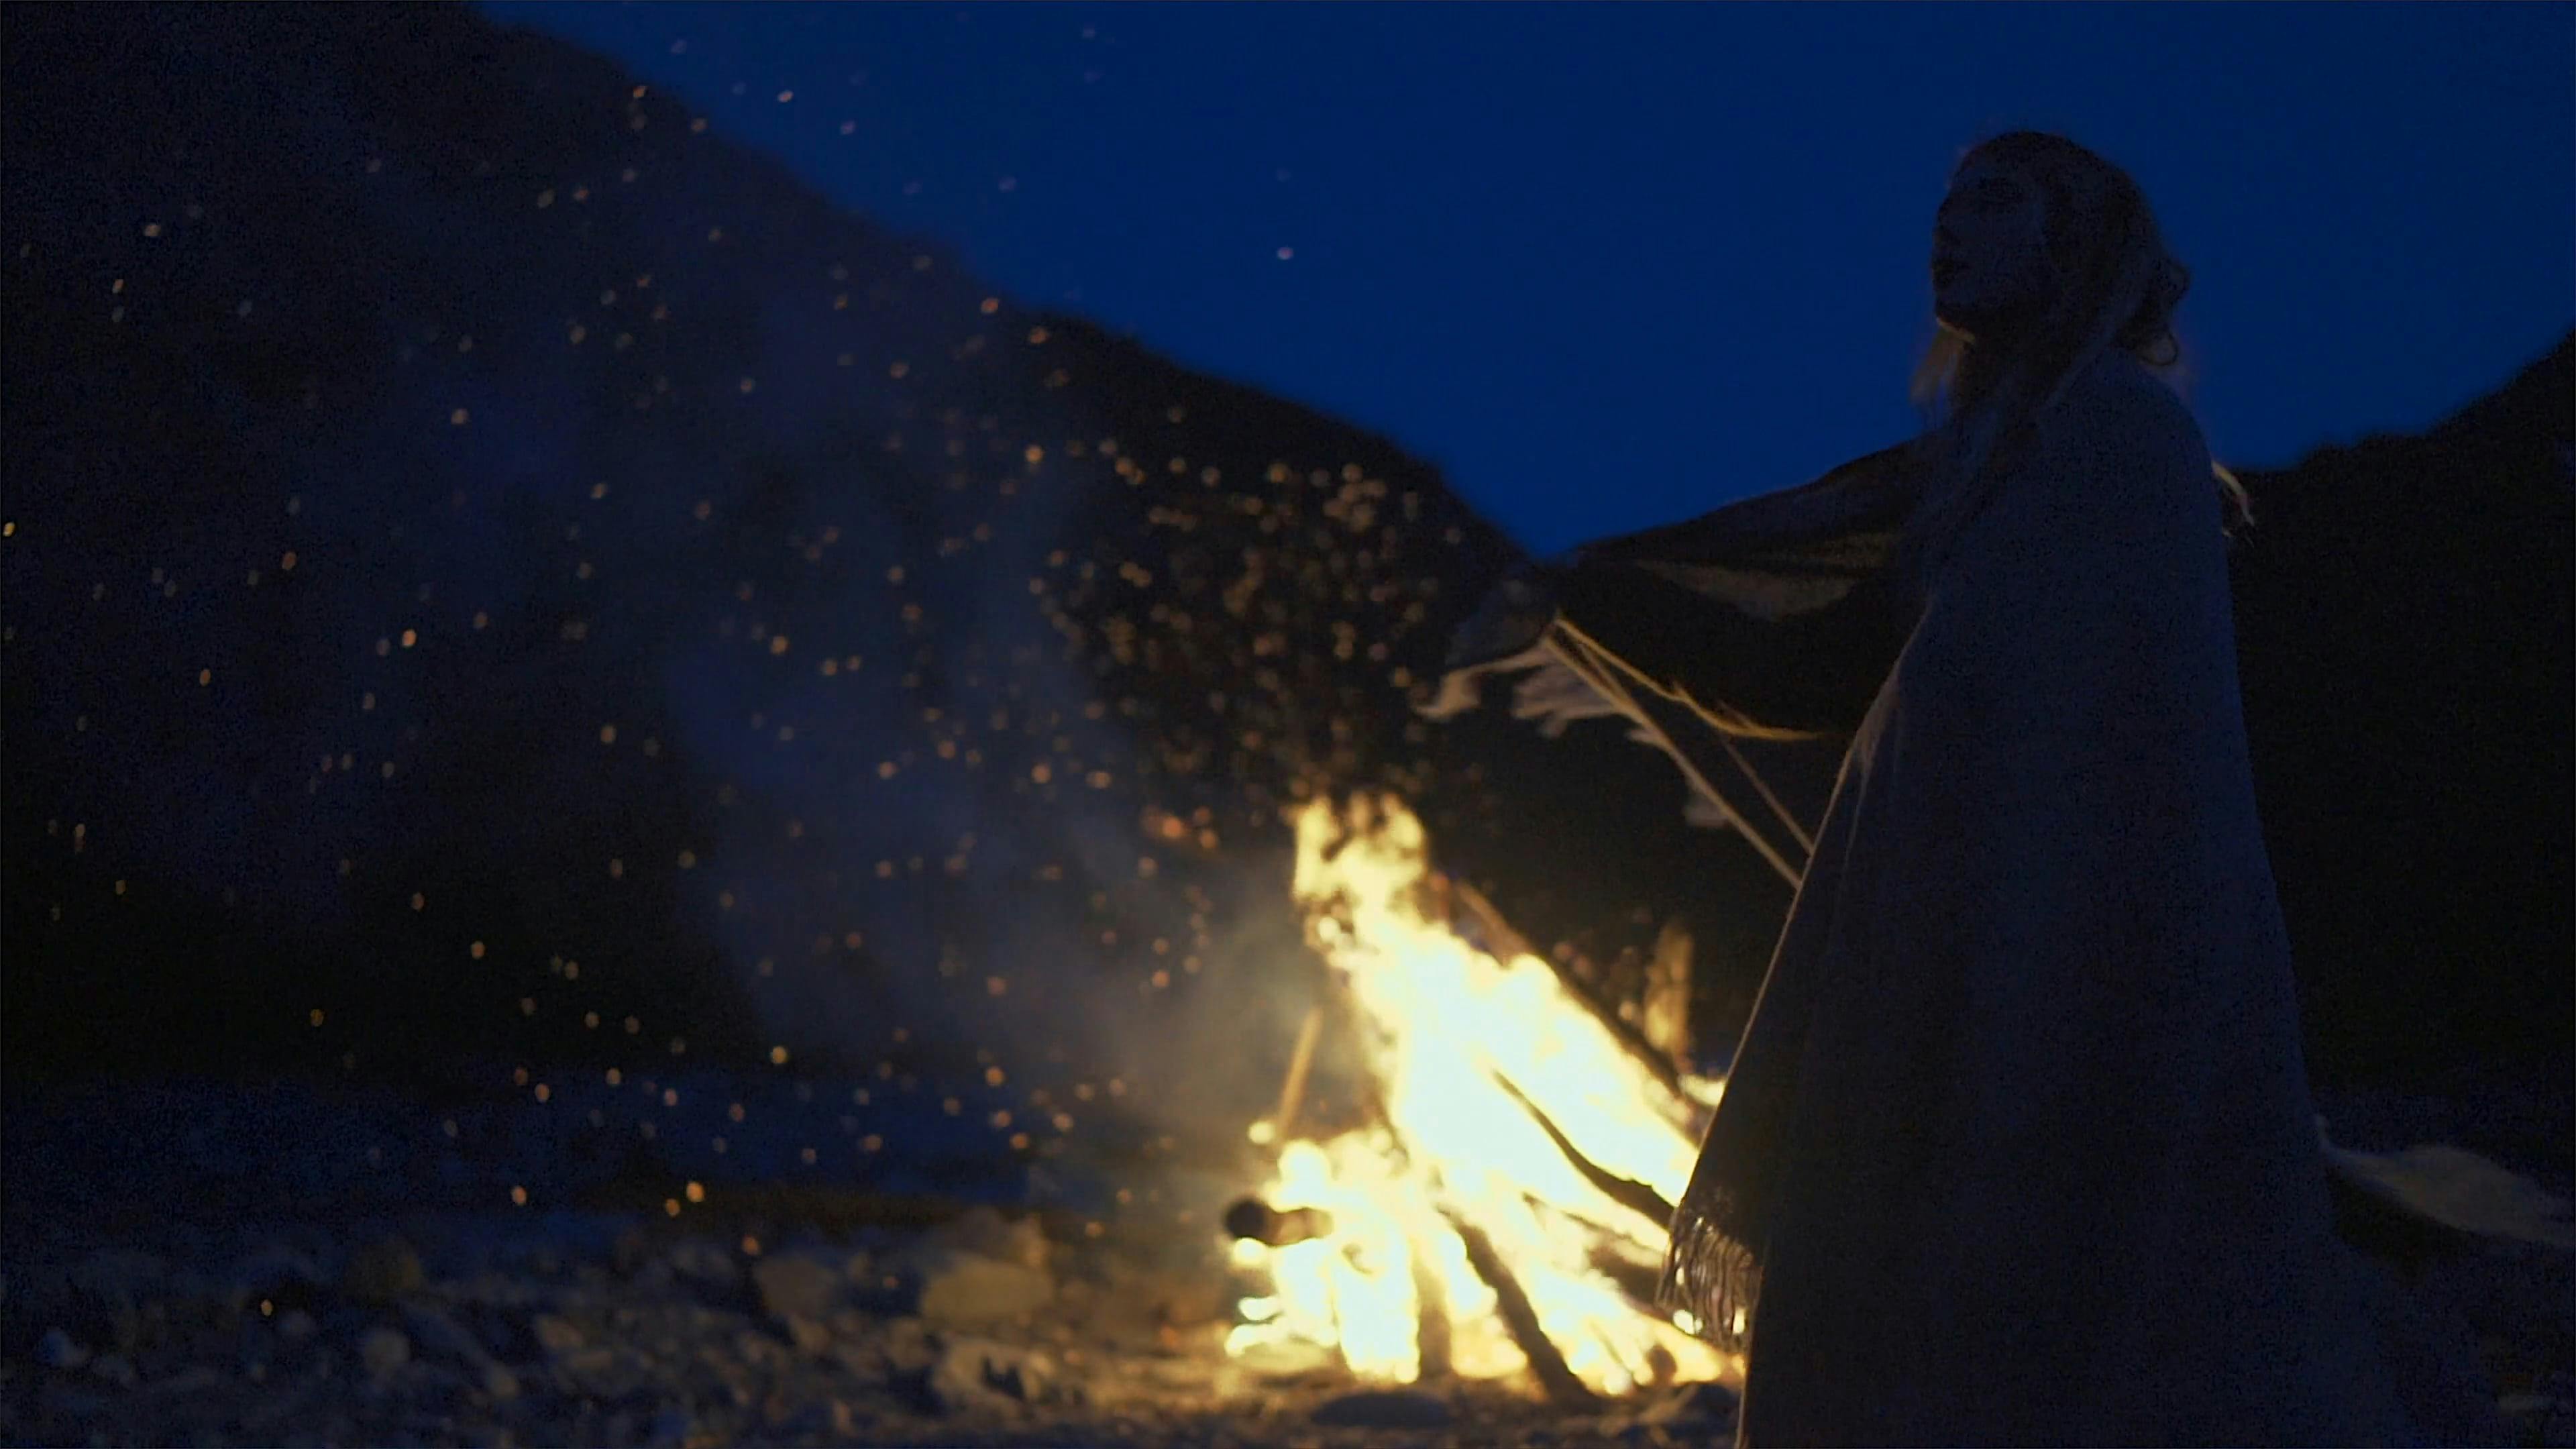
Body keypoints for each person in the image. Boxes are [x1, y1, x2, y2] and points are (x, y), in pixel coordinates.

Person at [1431, 131, 2514, 1446]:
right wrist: (1588, 599)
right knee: (1904, 1292)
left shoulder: (2119, 443)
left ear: (2079, 242)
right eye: (1943, 204)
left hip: (2087, 949)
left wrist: (2033, 929)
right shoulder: (1981, 467)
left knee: (2065, 1309)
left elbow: (2106, 746)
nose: (1948, 228)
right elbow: (1825, 672)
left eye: (1994, 200)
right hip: (1948, 932)